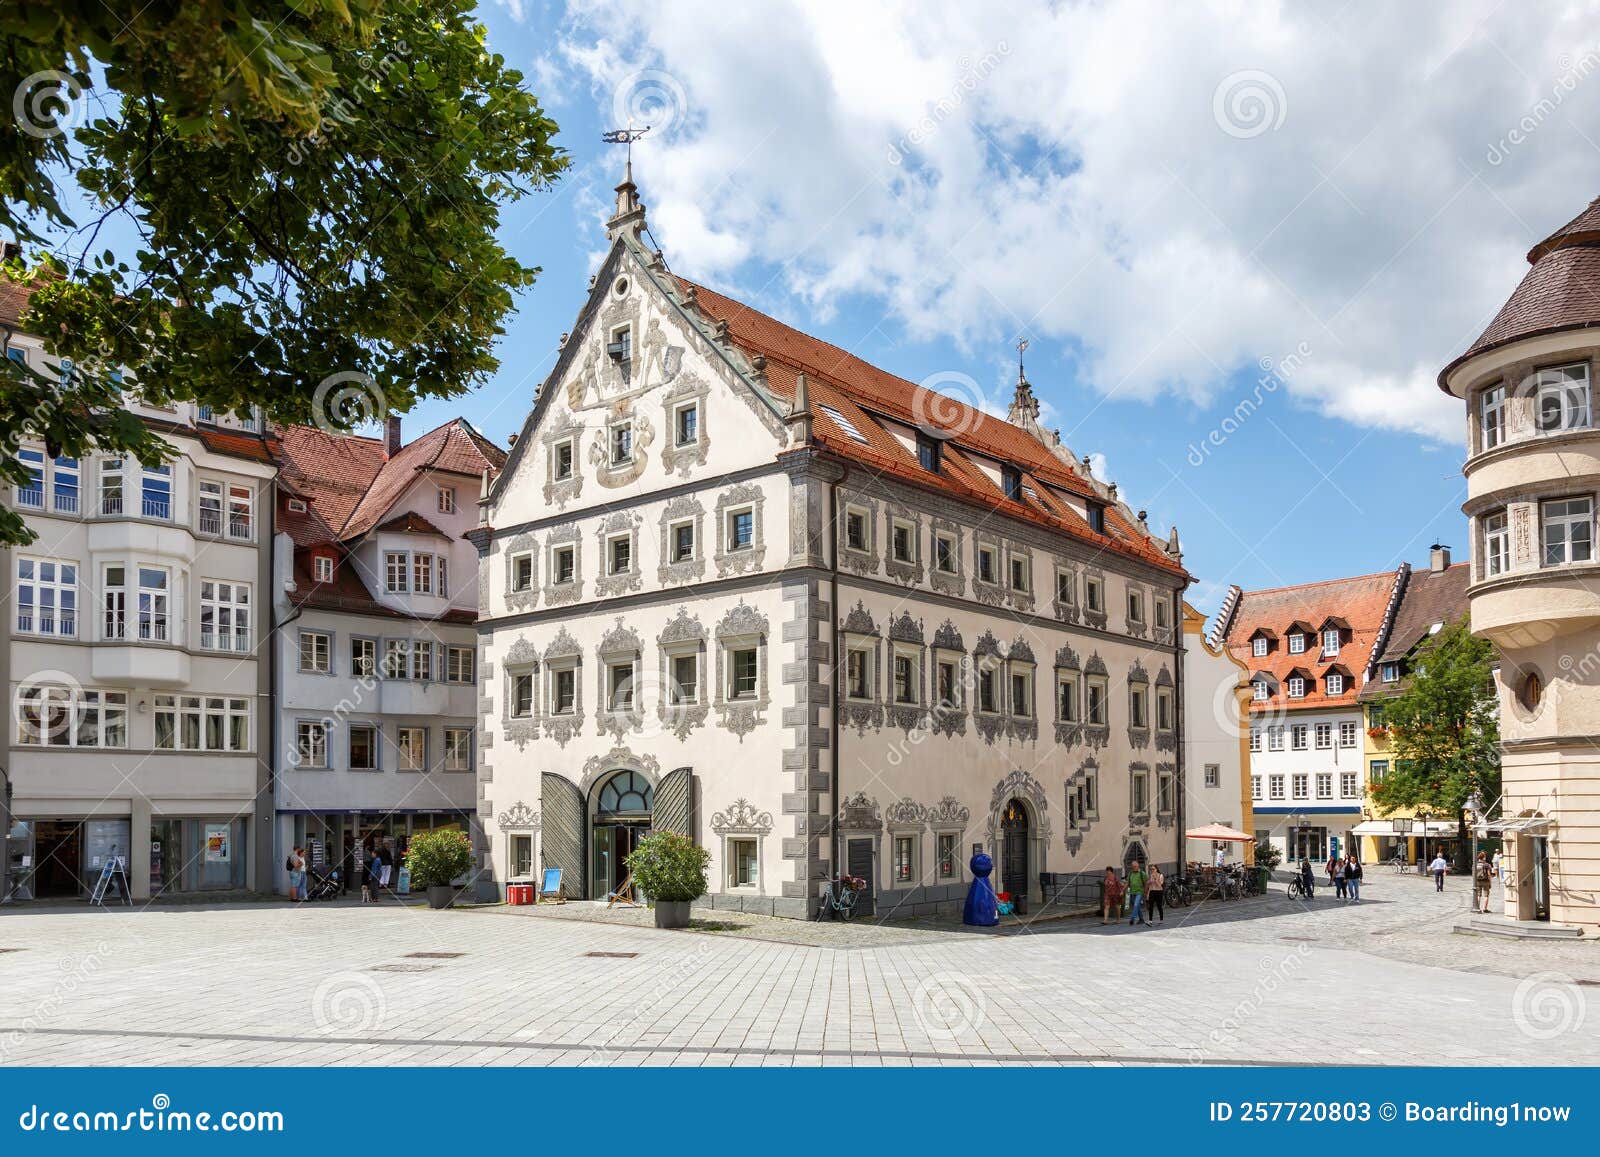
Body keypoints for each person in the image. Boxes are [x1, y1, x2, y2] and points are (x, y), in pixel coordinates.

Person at [1126, 859, 1148, 927]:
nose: (1134, 867)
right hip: (1132, 892)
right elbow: (1127, 883)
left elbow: (1146, 883)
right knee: (1137, 906)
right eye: (1132, 866)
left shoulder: (1142, 873)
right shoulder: (1130, 873)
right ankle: (1141, 919)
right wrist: (1122, 890)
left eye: (1135, 866)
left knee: (1135, 905)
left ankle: (1132, 919)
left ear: (1138, 866)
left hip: (1139, 892)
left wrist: (1145, 891)